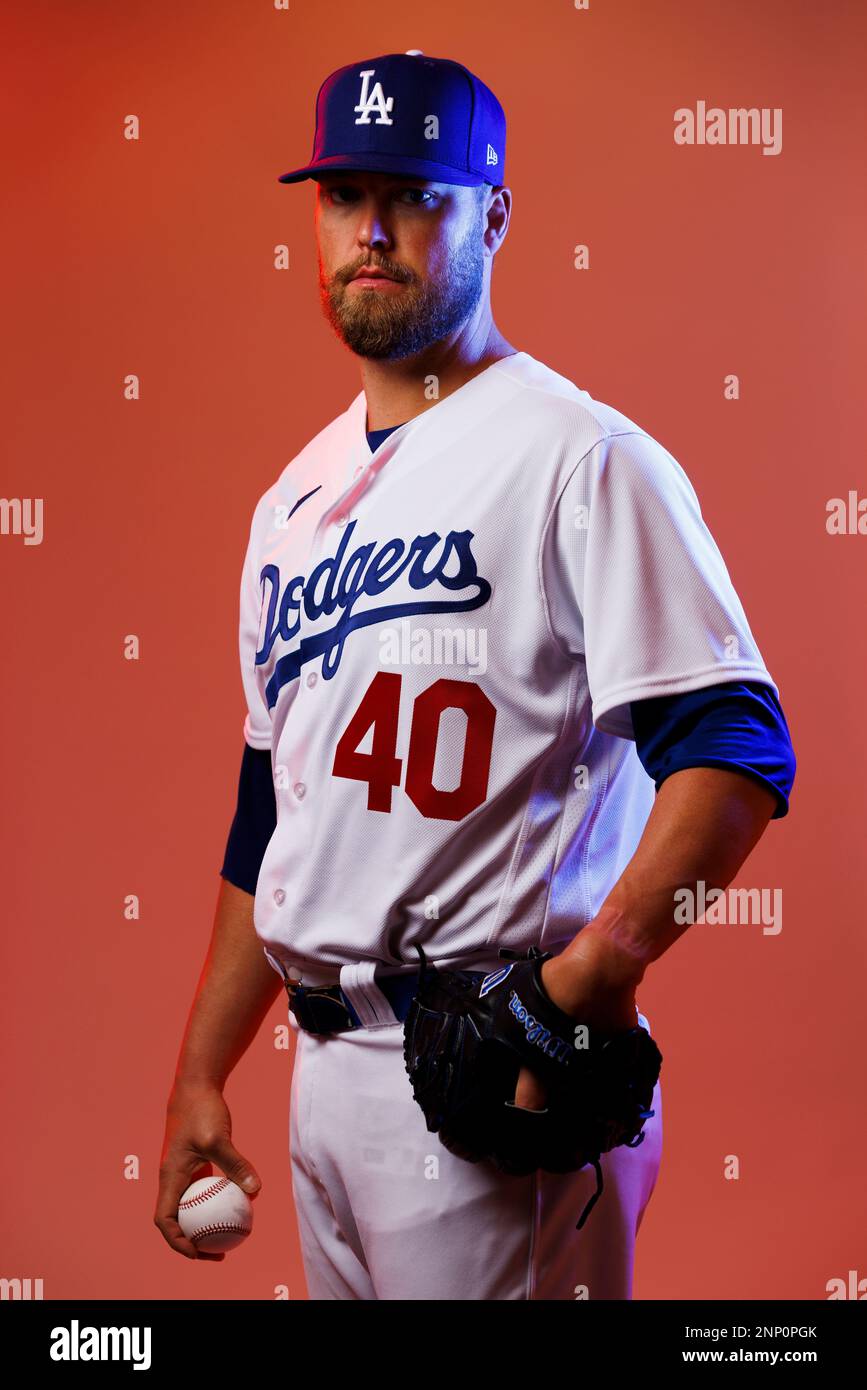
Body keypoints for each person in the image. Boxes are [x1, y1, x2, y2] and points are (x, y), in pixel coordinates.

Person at [155, 51, 796, 1300]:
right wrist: (200, 1071)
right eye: (345, 195)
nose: (374, 230)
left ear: (494, 214)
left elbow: (735, 751)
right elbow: (270, 817)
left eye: (418, 194)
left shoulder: (580, 458)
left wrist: (595, 974)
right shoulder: (287, 504)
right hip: (323, 1075)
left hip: (494, 1063)